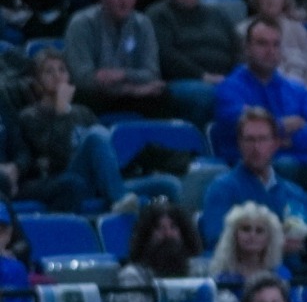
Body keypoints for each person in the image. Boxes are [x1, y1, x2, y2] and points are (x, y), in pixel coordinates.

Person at [7, 50, 179, 212]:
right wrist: (61, 113)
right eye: (49, 72)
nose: (57, 76)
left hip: (101, 182)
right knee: (95, 135)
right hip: (66, 182)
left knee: (169, 185)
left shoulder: (83, 112)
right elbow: (56, 160)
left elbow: (107, 155)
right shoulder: (29, 116)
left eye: (62, 70)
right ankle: (119, 199)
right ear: (37, 83)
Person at [200, 107, 307, 270]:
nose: (256, 147)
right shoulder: (222, 188)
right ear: (240, 144)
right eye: (249, 139)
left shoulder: (293, 191)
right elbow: (216, 240)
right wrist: (274, 246)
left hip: (294, 274)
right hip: (245, 275)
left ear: (275, 144)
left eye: (262, 139)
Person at [214, 16, 307, 175]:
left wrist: (290, 141)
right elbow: (240, 124)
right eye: (262, 43)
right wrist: (282, 125)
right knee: (285, 166)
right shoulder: (230, 88)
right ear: (247, 48)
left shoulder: (297, 90)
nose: (270, 51)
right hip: (254, 172)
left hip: (305, 167)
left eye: (276, 44)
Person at [63, 0, 169, 118]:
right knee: (86, 95)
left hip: (131, 95)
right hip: (94, 97)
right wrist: (132, 89)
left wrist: (121, 74)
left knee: (160, 93)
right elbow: (83, 79)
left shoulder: (143, 23)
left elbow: (152, 73)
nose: (124, 1)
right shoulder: (81, 24)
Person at [149, 0, 240, 124]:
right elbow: (166, 55)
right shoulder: (159, 15)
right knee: (206, 95)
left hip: (223, 80)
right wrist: (202, 75)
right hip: (182, 81)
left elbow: (238, 51)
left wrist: (235, 78)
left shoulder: (219, 15)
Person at [209, 200, 288, 302]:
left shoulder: (280, 274)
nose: (252, 235)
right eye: (246, 229)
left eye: (259, 231)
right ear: (234, 235)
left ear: (269, 238)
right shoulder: (221, 277)